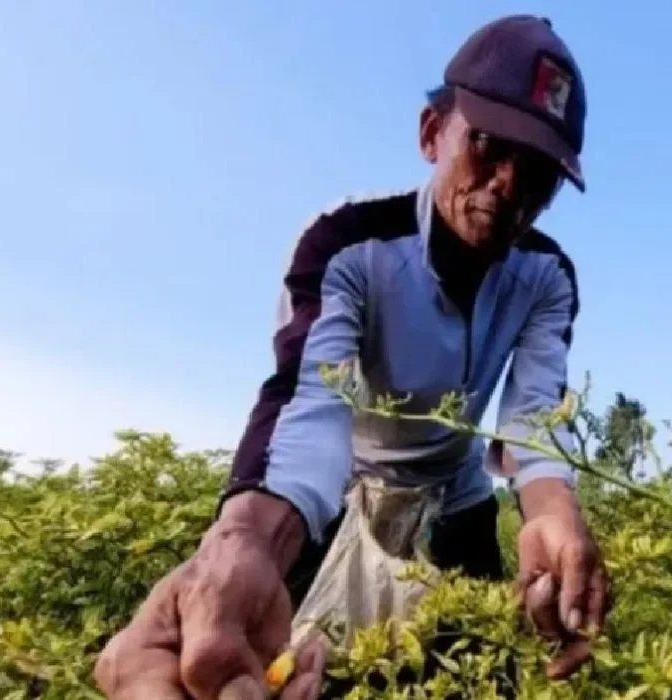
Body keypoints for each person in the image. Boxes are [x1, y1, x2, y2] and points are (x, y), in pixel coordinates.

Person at [93, 14, 609, 700]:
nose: (509, 185)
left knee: (485, 673)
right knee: (293, 664)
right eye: (487, 145)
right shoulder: (349, 246)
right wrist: (245, 541)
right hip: (341, 494)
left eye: (540, 172)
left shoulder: (547, 277)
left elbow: (533, 417)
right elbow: (312, 400)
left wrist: (552, 517)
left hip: (457, 499)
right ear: (433, 132)